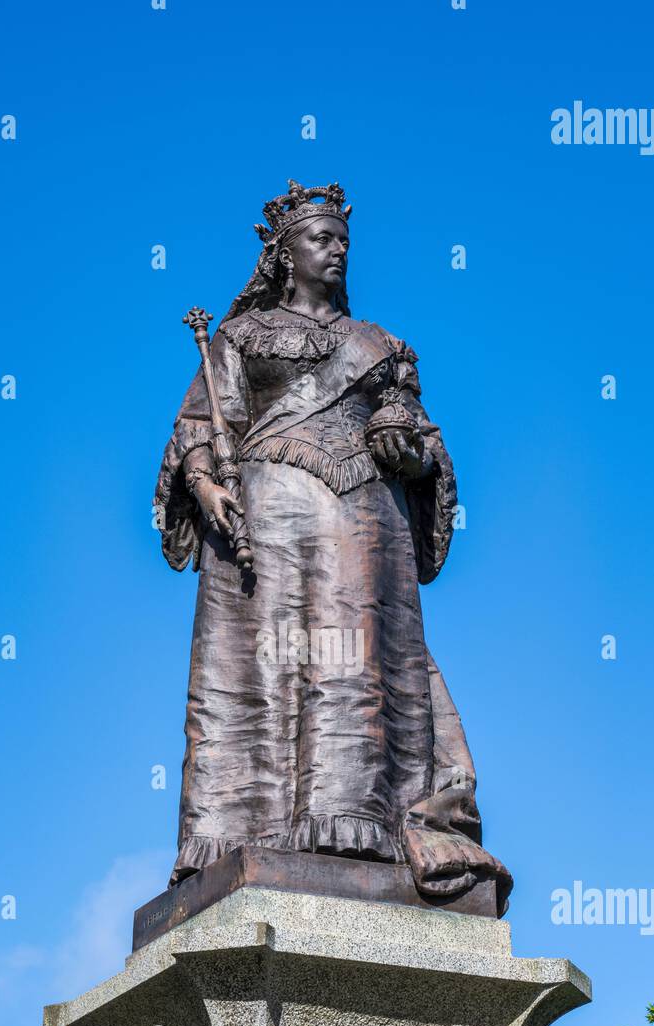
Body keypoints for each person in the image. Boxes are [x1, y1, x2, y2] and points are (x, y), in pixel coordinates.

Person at [154, 181, 512, 913]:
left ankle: (358, 823)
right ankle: (238, 833)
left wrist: (408, 447)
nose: (337, 248)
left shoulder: (382, 348)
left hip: (363, 520)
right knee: (258, 673)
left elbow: (424, 445)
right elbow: (197, 426)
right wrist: (207, 484)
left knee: (360, 665)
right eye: (320, 238)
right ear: (284, 255)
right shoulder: (239, 339)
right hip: (268, 512)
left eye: (342, 238)